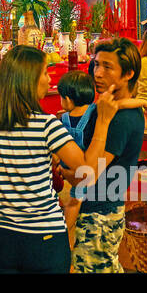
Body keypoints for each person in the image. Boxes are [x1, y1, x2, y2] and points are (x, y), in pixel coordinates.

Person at [0, 45, 121, 273]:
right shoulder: (46, 125)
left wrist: (9, 168)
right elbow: (87, 171)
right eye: (45, 73)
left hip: (1, 240)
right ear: (28, 80)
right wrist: (103, 122)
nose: (49, 81)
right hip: (44, 239)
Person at [70, 37, 147, 273]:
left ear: (128, 74)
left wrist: (64, 171)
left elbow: (89, 173)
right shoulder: (113, 107)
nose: (98, 73)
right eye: (96, 64)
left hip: (100, 211)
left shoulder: (120, 119)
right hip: (99, 207)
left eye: (107, 67)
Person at [56, 70, 97, 236]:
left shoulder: (63, 119)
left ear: (67, 98)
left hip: (75, 173)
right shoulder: (95, 113)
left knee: (76, 198)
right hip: (89, 169)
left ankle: (64, 232)